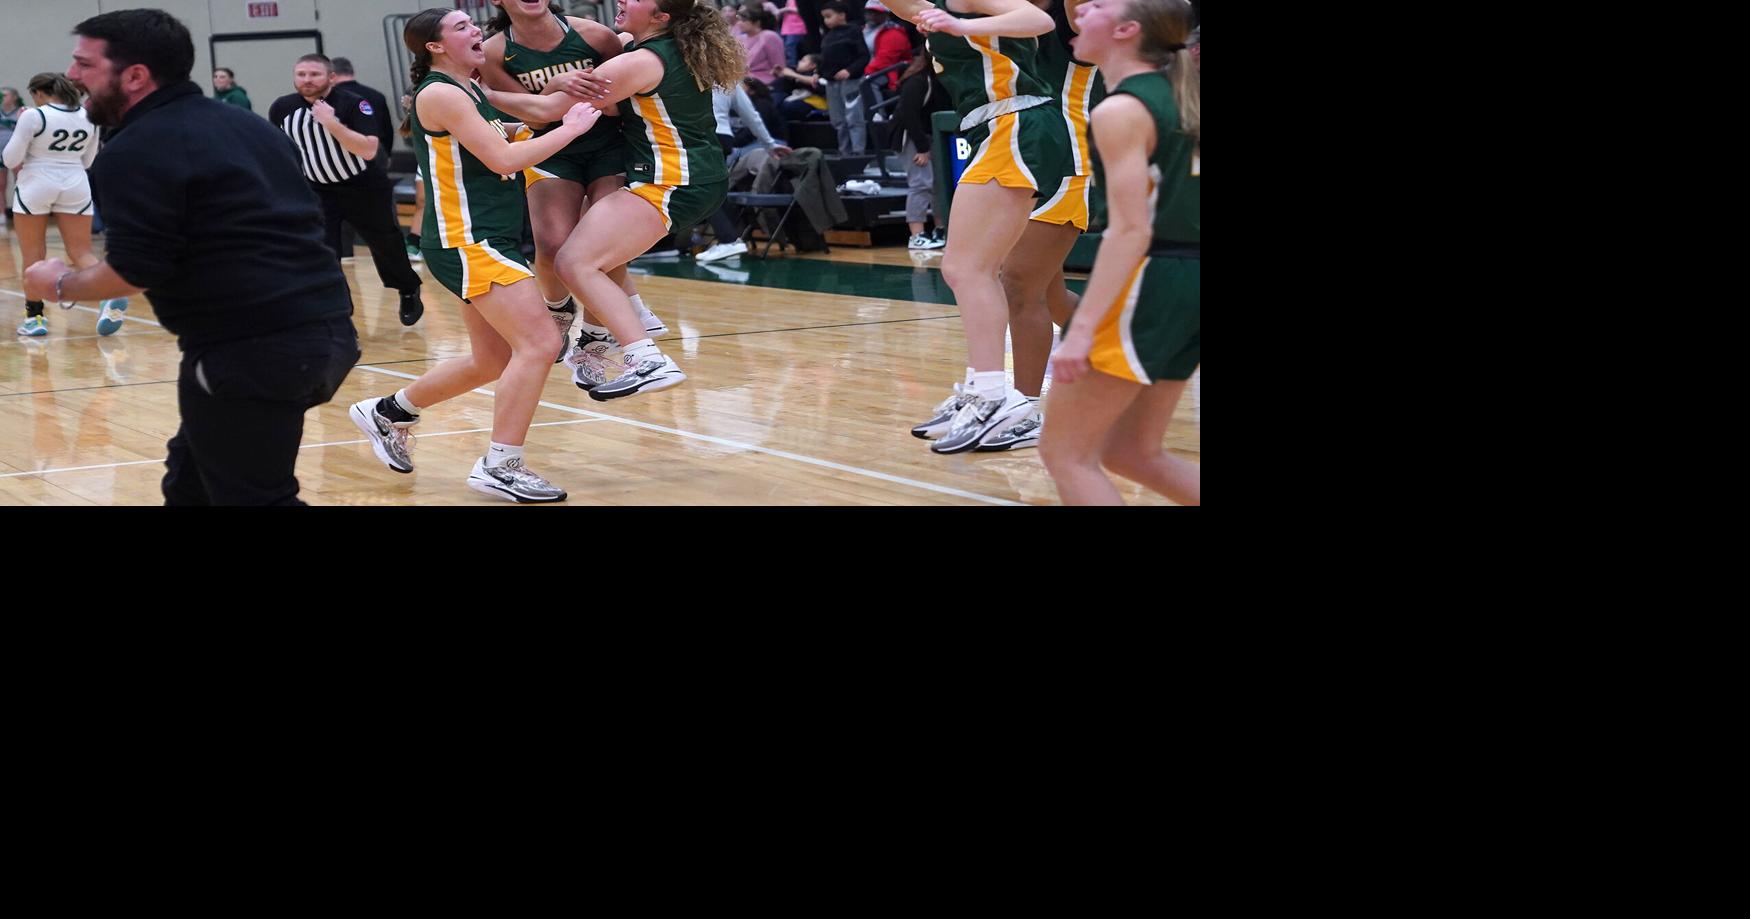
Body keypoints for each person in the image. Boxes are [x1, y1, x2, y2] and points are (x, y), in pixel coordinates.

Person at [24, 8, 361, 505]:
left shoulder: (137, 148)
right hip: (327, 330)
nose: (72, 76)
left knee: (252, 497)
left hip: (251, 350)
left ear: (135, 76)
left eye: (84, 64)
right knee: (191, 483)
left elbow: (135, 271)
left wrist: (57, 285)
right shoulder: (249, 127)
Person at [348, 7, 598, 502]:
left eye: (474, 25)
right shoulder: (441, 93)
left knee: (493, 359)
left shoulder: (471, 89)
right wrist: (570, 130)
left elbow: (540, 110)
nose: (476, 32)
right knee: (541, 344)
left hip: (485, 237)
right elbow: (503, 159)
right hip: (468, 238)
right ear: (435, 47)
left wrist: (590, 80)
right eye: (461, 27)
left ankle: (390, 411)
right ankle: (501, 465)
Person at [885, 0, 1067, 454]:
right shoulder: (928, 8)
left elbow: (1041, 20)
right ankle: (983, 387)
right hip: (996, 126)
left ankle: (990, 393)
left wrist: (961, 23)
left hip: (1016, 120)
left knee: (967, 269)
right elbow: (908, 8)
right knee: (968, 269)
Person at [1037, 0, 1199, 505]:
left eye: (1100, 5)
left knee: (1065, 455)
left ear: (1127, 30)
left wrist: (1080, 329)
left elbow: (1130, 231)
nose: (1081, 10)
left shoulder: (1121, 109)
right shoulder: (1182, 98)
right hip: (1187, 283)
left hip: (1151, 278)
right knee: (1133, 453)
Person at [549, 0, 746, 401]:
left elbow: (559, 107)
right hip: (694, 175)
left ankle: (646, 358)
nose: (622, 0)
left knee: (575, 262)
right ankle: (626, 319)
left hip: (671, 181)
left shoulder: (636, 62)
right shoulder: (671, 48)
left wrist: (542, 84)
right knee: (596, 244)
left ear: (661, 17)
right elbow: (614, 105)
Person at [480, 0, 668, 367]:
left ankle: (601, 335)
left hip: (608, 144)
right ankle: (559, 309)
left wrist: (554, 92)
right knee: (551, 244)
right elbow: (529, 115)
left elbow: (624, 102)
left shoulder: (596, 36)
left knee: (602, 240)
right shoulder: (493, 51)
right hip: (550, 148)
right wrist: (555, 87)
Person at [981, 0, 1101, 452]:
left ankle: (1023, 410)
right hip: (1025, 158)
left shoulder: (1073, 22)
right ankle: (1116, 350)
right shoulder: (1010, 18)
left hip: (1069, 163)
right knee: (1046, 294)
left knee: (1016, 285)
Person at [270, 53, 426, 325]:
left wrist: (331, 123)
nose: (307, 80)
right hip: (317, 190)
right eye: (301, 74)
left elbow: (368, 149)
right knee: (324, 251)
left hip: (363, 186)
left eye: (314, 74)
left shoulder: (355, 104)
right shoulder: (282, 108)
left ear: (331, 77)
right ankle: (341, 308)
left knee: (385, 243)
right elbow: (280, 148)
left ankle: (408, 288)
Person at [5, 72, 131, 337]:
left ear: (39, 93)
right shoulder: (87, 116)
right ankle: (110, 295)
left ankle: (35, 319)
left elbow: (9, 158)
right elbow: (88, 161)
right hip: (75, 182)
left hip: (37, 183)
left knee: (32, 255)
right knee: (81, 252)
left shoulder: (33, 115)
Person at [889, 47, 948, 250]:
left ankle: (940, 229)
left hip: (930, 137)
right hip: (911, 137)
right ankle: (916, 235)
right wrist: (922, 148)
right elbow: (909, 115)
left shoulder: (941, 79)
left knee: (940, 185)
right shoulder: (918, 80)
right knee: (920, 184)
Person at [817, 1, 869, 154]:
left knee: (854, 118)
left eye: (829, 16)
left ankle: (858, 152)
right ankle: (844, 151)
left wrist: (849, 70)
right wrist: (817, 73)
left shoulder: (853, 31)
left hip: (850, 81)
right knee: (838, 120)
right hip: (832, 82)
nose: (826, 21)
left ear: (841, 15)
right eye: (824, 18)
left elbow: (864, 56)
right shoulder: (827, 36)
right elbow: (824, 59)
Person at [734, 5, 786, 86]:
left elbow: (779, 66)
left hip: (765, 82)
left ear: (757, 22)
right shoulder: (740, 38)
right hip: (743, 82)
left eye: (743, 20)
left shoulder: (769, 36)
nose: (739, 23)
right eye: (738, 20)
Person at [0, 87, 22, 233]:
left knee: (20, 183)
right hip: (0, 153)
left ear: (14, 97)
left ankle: (20, 213)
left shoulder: (21, 113)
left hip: (16, 153)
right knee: (1, 185)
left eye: (5, 95)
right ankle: (2, 214)